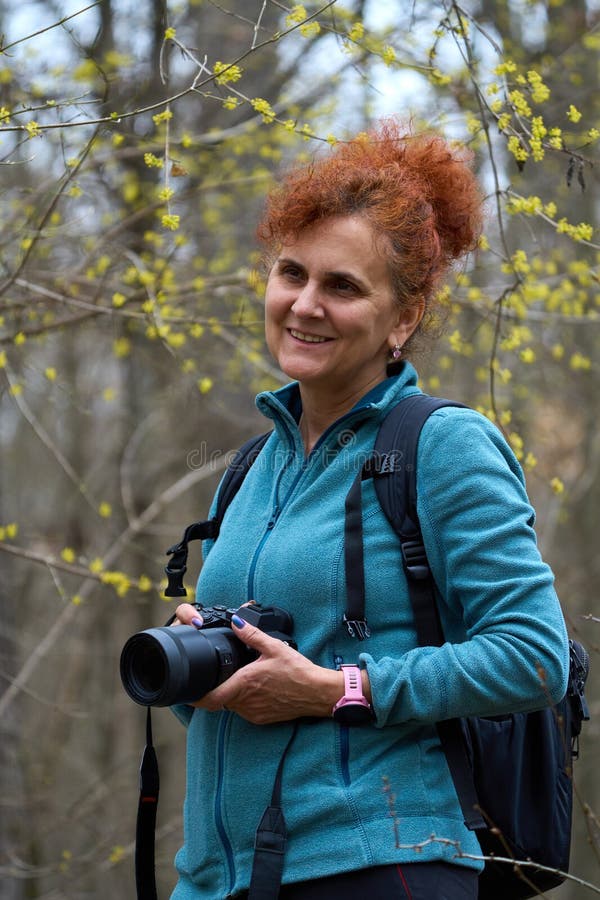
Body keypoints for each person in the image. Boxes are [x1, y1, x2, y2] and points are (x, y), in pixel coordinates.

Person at [169, 120, 569, 899]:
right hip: (221, 877)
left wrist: (336, 688)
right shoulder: (250, 468)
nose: (305, 305)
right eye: (292, 272)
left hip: (378, 865)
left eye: (343, 286)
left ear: (404, 317)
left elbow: (533, 655)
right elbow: (256, 703)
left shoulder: (443, 446)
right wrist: (203, 677)